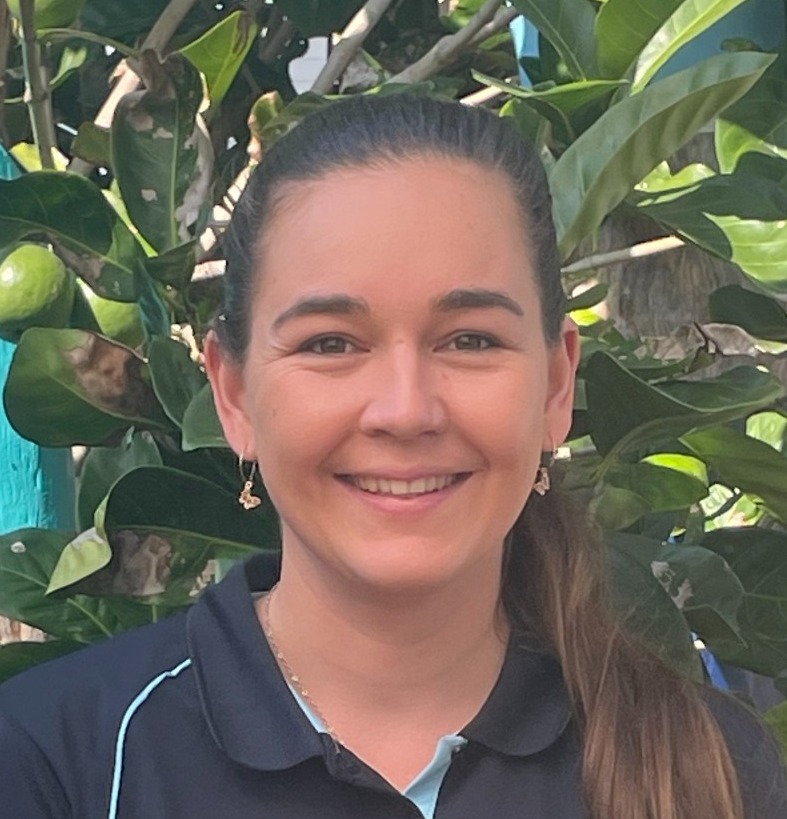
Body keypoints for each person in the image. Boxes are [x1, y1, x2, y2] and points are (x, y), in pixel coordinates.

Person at [0, 94, 785, 819]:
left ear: (554, 385)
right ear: (233, 396)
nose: (406, 409)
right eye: (330, 343)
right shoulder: (57, 764)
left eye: (470, 339)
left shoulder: (716, 771)